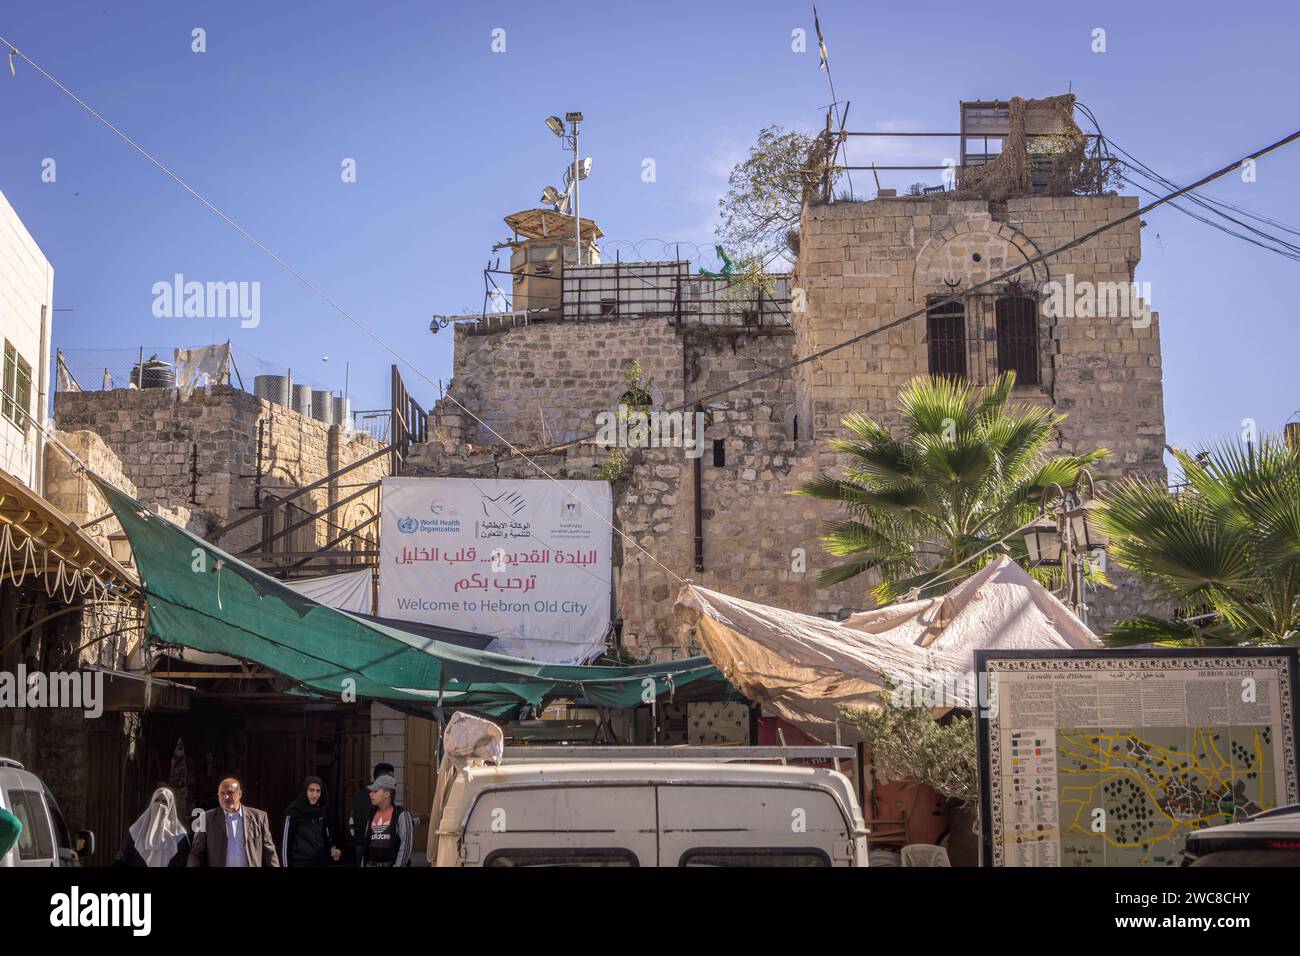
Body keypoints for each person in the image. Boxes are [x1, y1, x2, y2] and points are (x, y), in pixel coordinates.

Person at [187, 777, 280, 867]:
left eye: (230, 792)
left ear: (239, 793)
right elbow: (196, 854)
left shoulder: (258, 817)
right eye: (222, 793)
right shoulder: (206, 818)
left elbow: (269, 853)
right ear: (218, 795)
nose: (226, 797)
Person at [113, 786, 189, 867]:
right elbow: (123, 858)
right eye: (157, 800)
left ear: (170, 807)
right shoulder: (136, 831)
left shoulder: (179, 835)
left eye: (164, 802)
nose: (159, 805)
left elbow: (185, 861)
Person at [281, 775, 341, 867]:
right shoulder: (293, 811)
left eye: (318, 791)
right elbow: (285, 846)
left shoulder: (321, 811)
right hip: (300, 863)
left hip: (320, 862)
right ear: (305, 791)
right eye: (311, 790)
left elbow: (326, 836)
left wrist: (332, 849)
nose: (315, 795)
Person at [359, 774, 413, 867]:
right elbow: (366, 843)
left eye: (375, 791)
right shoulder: (372, 814)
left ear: (387, 794)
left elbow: (406, 845)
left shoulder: (401, 814)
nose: (370, 794)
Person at [350, 762, 393, 864]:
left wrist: (358, 839)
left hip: (360, 843)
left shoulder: (358, 795)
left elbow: (351, 822)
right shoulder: (384, 798)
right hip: (378, 847)